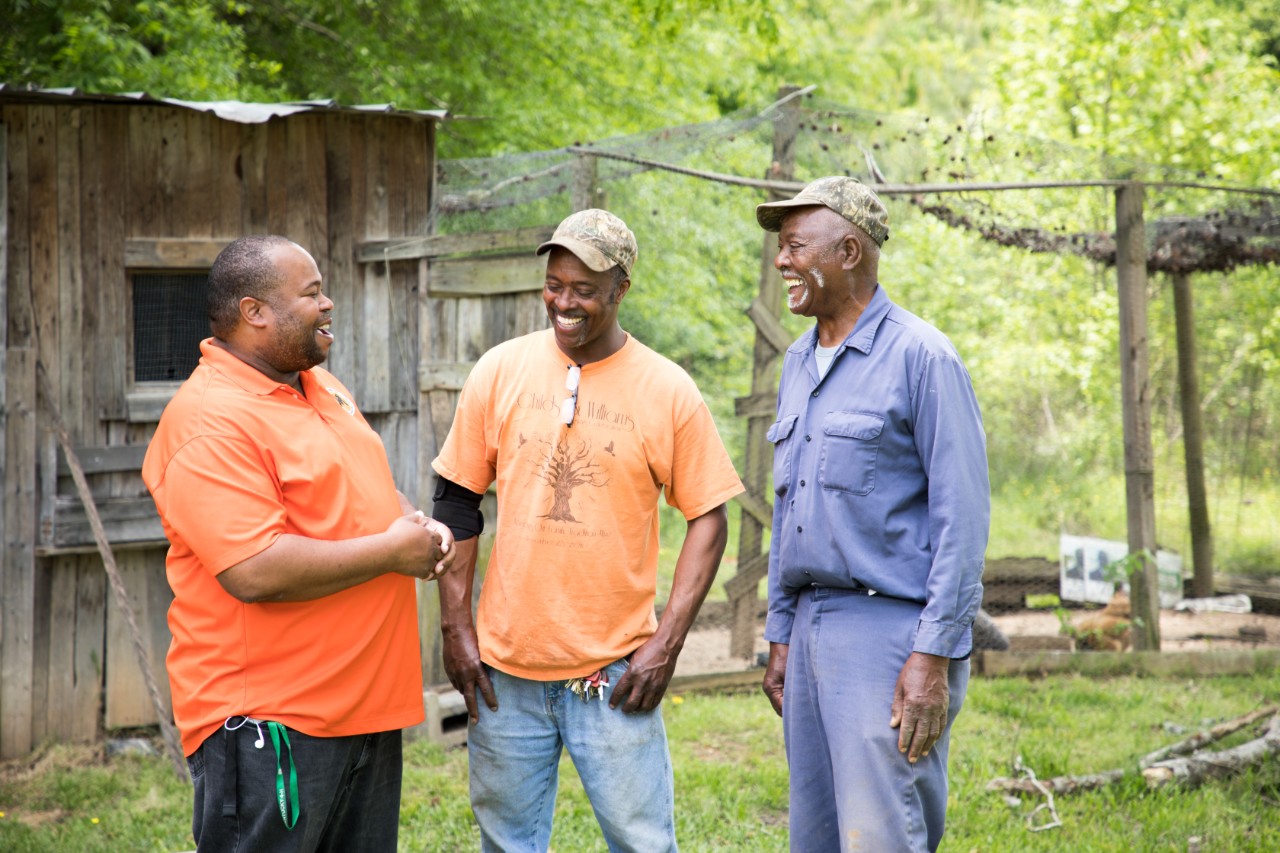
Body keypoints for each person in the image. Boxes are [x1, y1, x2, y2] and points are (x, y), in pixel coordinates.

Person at [430, 208, 744, 852]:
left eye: (584, 290)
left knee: (642, 843)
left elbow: (709, 518)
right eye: (554, 285)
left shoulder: (667, 390)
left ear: (621, 289)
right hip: (503, 672)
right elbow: (457, 502)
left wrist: (666, 644)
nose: (564, 303)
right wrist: (456, 628)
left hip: (615, 671)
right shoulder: (500, 371)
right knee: (507, 842)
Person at [142, 235, 456, 852]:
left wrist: (416, 524)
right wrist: (393, 552)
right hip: (270, 724)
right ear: (254, 311)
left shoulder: (322, 389)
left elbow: (361, 489)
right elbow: (254, 570)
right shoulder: (210, 419)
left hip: (362, 710)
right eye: (311, 293)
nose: (328, 304)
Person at [755, 177, 990, 852]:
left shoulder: (922, 356)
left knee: (881, 833)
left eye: (796, 245)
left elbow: (962, 518)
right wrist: (780, 630)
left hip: (890, 635)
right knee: (819, 833)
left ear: (849, 250)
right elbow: (790, 501)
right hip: (809, 628)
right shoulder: (799, 360)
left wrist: (932, 655)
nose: (781, 261)